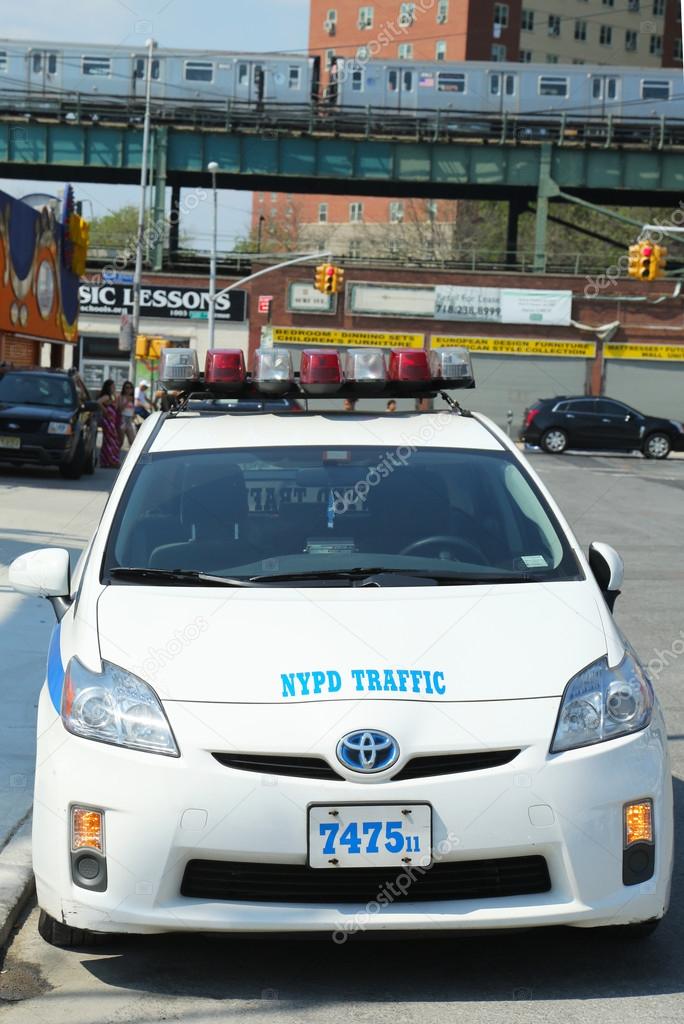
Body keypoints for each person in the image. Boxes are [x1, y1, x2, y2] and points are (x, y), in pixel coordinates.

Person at [97, 379, 121, 469]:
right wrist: (105, 410)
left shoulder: (112, 396)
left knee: (109, 441)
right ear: (108, 387)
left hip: (112, 421)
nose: (114, 388)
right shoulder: (106, 396)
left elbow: (116, 407)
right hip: (107, 421)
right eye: (112, 386)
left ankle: (107, 461)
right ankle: (111, 461)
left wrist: (115, 395)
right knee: (112, 441)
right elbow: (98, 402)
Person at [118, 381, 136, 449]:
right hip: (122, 419)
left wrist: (134, 414)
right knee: (120, 442)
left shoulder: (132, 398)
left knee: (132, 442)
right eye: (127, 388)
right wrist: (127, 401)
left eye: (130, 388)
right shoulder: (121, 397)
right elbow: (120, 409)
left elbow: (132, 409)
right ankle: (115, 457)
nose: (129, 389)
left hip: (129, 420)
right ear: (124, 388)